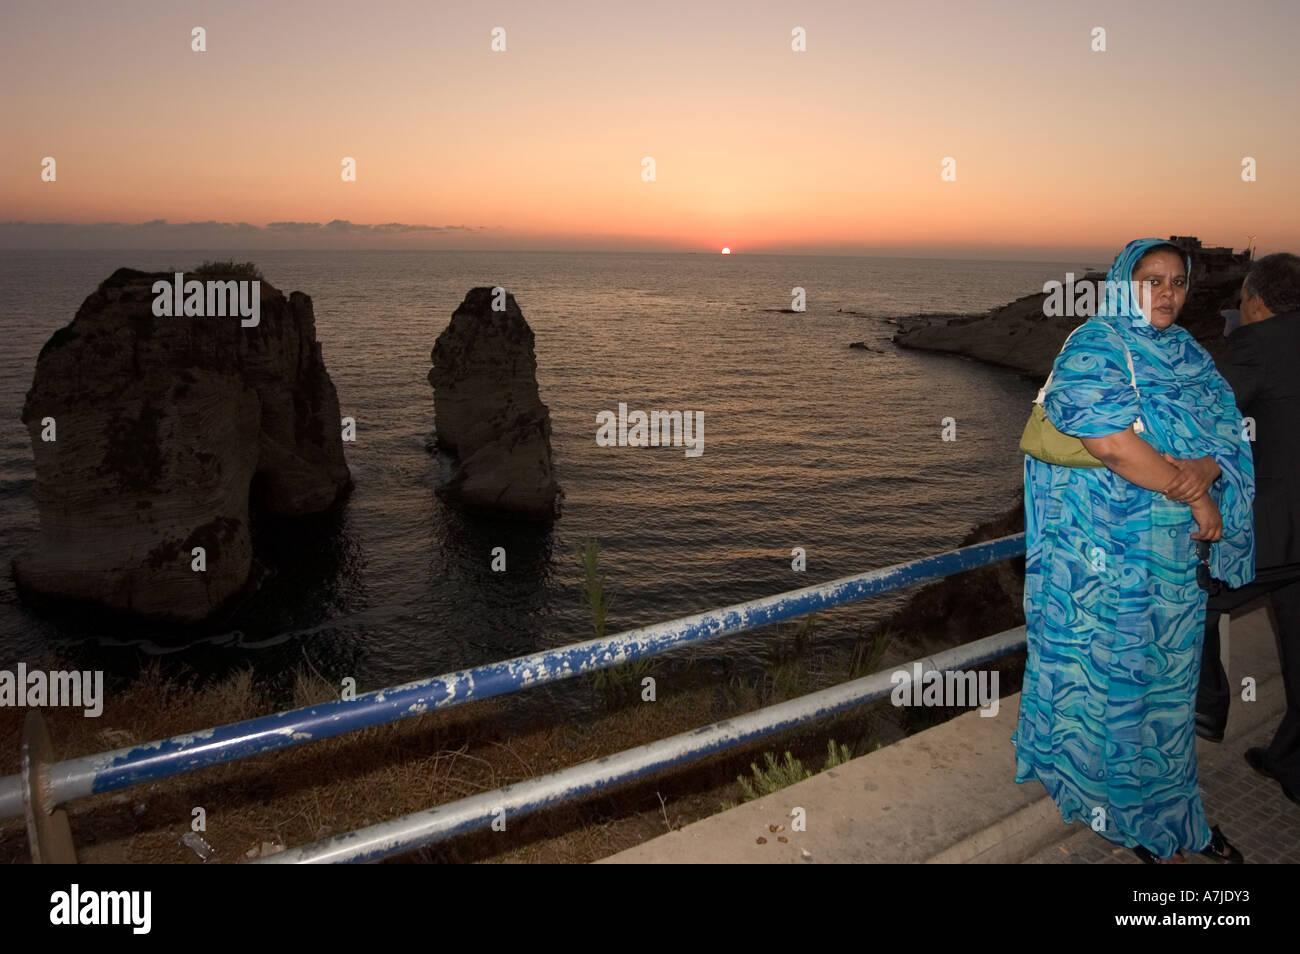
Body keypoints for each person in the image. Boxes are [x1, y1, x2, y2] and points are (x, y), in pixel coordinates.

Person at [1014, 237, 1256, 863]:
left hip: (1171, 562)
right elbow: (1112, 443)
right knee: (1108, 686)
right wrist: (1201, 497)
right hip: (1102, 560)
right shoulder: (1097, 345)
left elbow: (1227, 431)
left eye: (1177, 281)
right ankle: (1123, 814)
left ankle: (1173, 810)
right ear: (1125, 282)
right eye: (1152, 280)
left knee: (1166, 692)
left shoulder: (1187, 353)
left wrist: (1207, 466)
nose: (1168, 293)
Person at [1195, 252, 1300, 806]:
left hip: (1277, 536)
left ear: (1255, 301)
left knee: (1194, 598)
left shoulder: (1257, 344)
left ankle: (1208, 707)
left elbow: (1207, 418)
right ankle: (1290, 762)